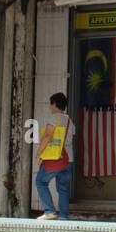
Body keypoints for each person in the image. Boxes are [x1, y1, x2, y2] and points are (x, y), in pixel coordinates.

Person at [35, 92, 75, 220]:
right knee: (62, 187)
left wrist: (39, 154)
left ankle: (50, 211)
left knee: (40, 181)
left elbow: (47, 136)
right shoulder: (69, 120)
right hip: (69, 159)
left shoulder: (54, 118)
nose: (49, 107)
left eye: (50, 104)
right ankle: (63, 215)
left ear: (54, 104)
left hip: (55, 158)